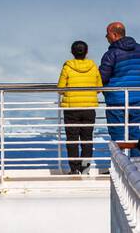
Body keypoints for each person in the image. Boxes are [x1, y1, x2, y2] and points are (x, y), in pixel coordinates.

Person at [58, 40, 102, 174]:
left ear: (72, 52)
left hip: (72, 109)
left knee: (72, 140)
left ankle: (74, 168)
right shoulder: (93, 66)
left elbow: (60, 89)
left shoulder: (67, 67)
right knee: (87, 139)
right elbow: (99, 88)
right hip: (88, 109)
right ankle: (85, 168)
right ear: (87, 52)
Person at [99, 21, 140, 146]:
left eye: (107, 35)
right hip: (137, 99)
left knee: (118, 135)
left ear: (114, 35)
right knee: (135, 136)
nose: (106, 38)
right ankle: (136, 164)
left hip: (116, 100)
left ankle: (120, 164)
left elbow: (102, 77)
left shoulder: (111, 54)